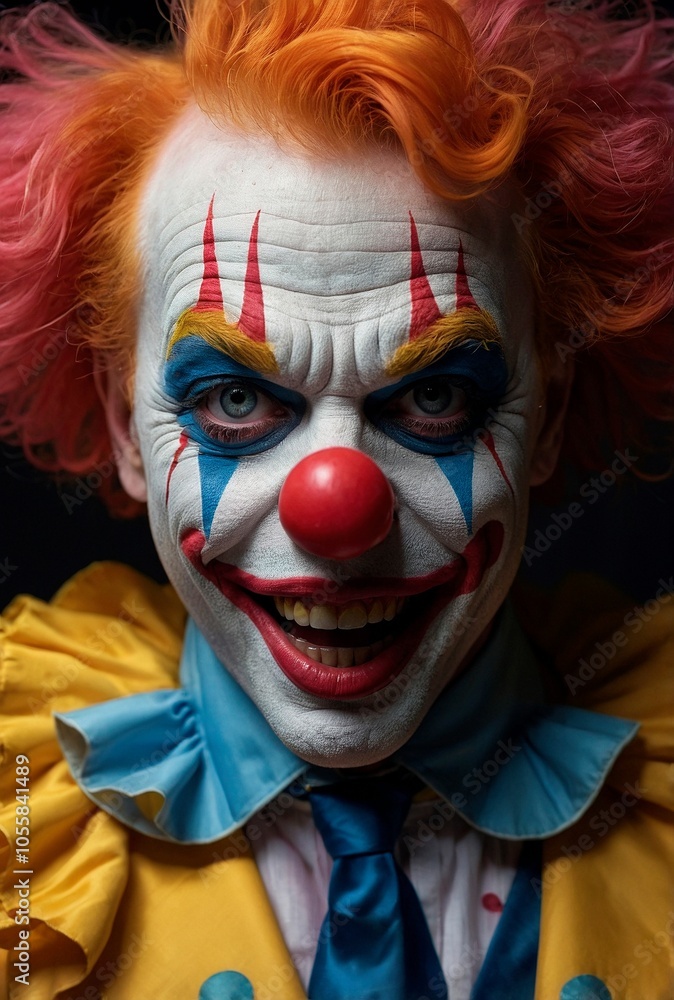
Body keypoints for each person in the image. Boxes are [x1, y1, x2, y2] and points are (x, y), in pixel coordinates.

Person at [0, 1, 673, 998]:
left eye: (436, 397)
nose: (337, 518)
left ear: (550, 411)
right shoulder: (16, 812)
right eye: (234, 399)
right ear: (122, 421)